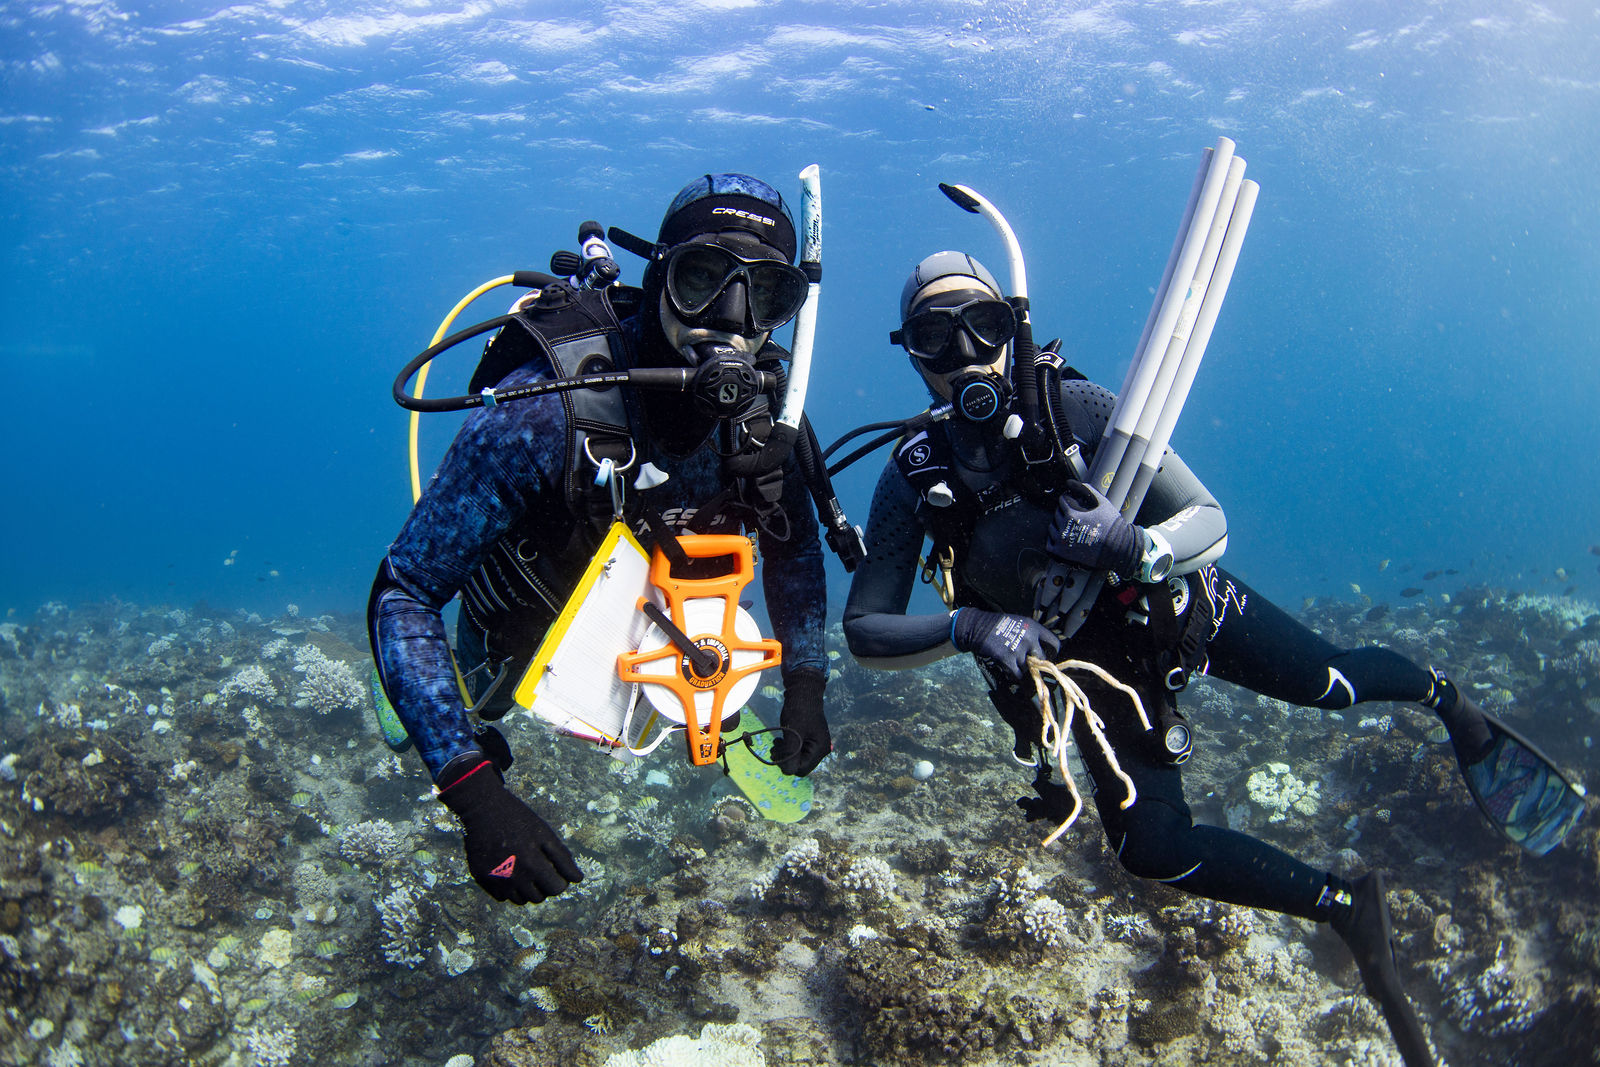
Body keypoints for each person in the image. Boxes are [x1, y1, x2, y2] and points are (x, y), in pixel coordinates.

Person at [843, 251, 1434, 1065]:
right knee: (1151, 846)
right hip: (1089, 672)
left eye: (982, 325)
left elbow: (1210, 521)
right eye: (934, 338)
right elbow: (865, 630)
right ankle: (1342, 904)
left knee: (1332, 685)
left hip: (1178, 613)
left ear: (1011, 330)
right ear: (910, 354)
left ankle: (1443, 696)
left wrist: (1137, 544)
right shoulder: (913, 476)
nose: (965, 355)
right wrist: (968, 629)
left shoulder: (1081, 409)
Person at [369, 173, 835, 908]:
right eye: (703, 279)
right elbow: (406, 588)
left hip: (681, 634)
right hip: (525, 623)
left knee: (711, 649)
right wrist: (474, 791)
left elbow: (796, 546)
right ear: (658, 278)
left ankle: (725, 712)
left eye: (765, 295)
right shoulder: (545, 410)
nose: (732, 319)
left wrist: (806, 684)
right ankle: (436, 696)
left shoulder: (765, 423)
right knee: (476, 698)